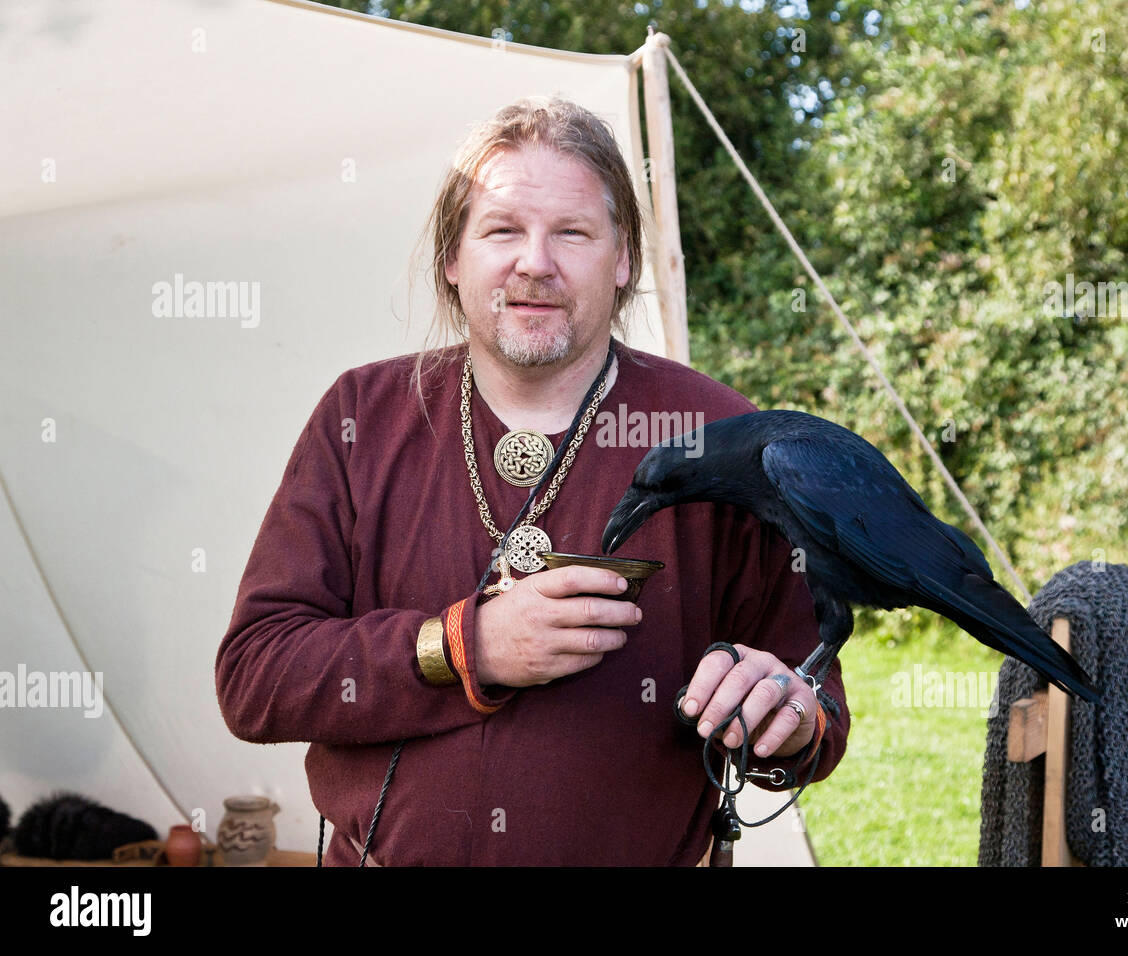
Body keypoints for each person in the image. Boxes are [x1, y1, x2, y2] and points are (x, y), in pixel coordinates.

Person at [215, 95, 850, 866]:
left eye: (572, 233)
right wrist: (464, 646)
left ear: (622, 261)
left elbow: (815, 716)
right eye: (503, 230)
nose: (535, 263)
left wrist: (785, 714)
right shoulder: (361, 417)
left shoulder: (723, 438)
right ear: (454, 258)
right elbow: (255, 678)